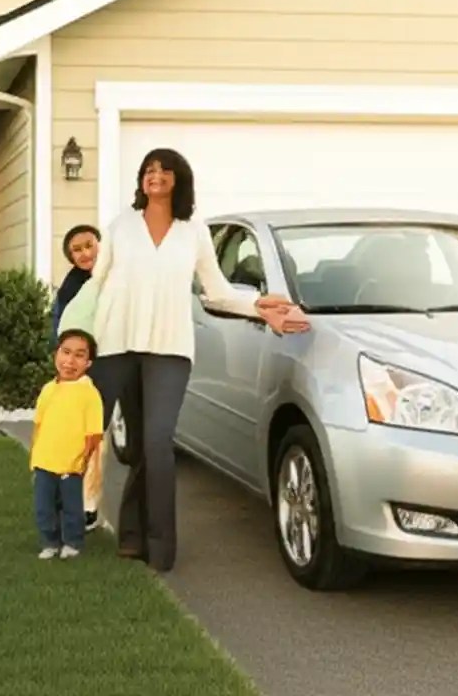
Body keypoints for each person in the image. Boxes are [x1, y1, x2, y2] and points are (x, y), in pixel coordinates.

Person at [86, 147, 310, 573]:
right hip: (117, 344)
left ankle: (161, 546)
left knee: (158, 442)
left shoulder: (194, 232)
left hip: (170, 350)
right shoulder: (120, 227)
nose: (154, 177)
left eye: (163, 171)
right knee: (136, 446)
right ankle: (131, 536)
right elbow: (96, 284)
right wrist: (75, 334)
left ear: (178, 179)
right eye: (148, 170)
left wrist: (260, 306)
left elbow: (217, 291)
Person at [48, 224, 105, 532]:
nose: (85, 254)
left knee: (96, 438)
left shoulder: (113, 275)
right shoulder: (73, 287)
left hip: (109, 361)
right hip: (83, 368)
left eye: (89, 245)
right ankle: (78, 503)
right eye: (76, 250)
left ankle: (87, 504)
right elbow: (60, 327)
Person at [30, 328, 104, 560]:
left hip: (71, 465)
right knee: (44, 507)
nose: (70, 361)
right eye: (66, 352)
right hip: (44, 463)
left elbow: (94, 434)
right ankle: (50, 542)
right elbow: (39, 425)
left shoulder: (89, 394)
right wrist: (35, 457)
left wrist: (84, 462)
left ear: (88, 363)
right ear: (56, 355)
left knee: (71, 508)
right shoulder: (48, 389)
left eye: (79, 355)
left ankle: (72, 542)